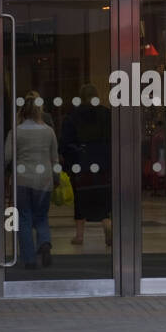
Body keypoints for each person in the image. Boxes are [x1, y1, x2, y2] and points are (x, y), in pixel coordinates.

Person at [5, 90, 60, 269]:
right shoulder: (49, 132)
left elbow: (6, 157)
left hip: (21, 180)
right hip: (44, 180)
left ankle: (29, 259)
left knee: (24, 218)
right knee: (42, 216)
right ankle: (44, 242)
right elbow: (55, 159)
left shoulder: (15, 132)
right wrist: (56, 178)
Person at [61, 83, 112, 248]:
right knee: (103, 196)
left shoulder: (73, 116)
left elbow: (65, 143)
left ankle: (79, 235)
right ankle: (107, 224)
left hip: (82, 163)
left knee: (80, 198)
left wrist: (70, 163)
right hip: (103, 163)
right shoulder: (106, 114)